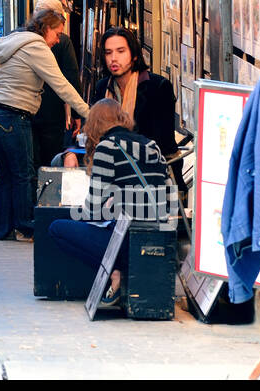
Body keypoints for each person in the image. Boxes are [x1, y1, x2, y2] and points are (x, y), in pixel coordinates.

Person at [48, 99, 178, 307]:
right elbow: (171, 198)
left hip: (126, 241)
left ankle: (116, 271)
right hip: (156, 238)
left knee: (57, 228)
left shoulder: (107, 148)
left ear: (94, 123)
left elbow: (92, 208)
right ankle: (122, 269)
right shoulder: (151, 145)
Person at [0, 7, 90, 241]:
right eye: (58, 33)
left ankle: (3, 229)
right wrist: (90, 113)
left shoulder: (12, 43)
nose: (58, 39)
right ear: (47, 28)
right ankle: (25, 227)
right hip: (13, 116)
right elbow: (62, 85)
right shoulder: (37, 47)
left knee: (6, 176)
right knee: (23, 174)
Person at [87, 26, 178, 186]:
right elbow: (93, 130)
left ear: (134, 55)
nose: (113, 58)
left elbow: (161, 143)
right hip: (109, 174)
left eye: (120, 51)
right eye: (108, 52)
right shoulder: (103, 87)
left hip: (147, 177)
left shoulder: (157, 87)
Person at [31, 0, 82, 170]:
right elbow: (71, 78)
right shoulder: (63, 42)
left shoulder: (21, 37)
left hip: (27, 109)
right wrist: (78, 115)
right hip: (51, 109)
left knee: (30, 160)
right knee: (50, 159)